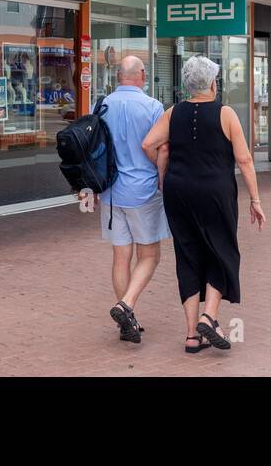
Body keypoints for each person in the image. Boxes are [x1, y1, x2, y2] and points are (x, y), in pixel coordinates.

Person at [143, 56, 265, 354]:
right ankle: (209, 317)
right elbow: (245, 159)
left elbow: (148, 144)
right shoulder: (226, 114)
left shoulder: (173, 113)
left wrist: (163, 169)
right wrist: (255, 199)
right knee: (222, 250)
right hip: (215, 193)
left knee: (187, 255)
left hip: (178, 192)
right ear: (213, 83)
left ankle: (191, 335)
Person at [79, 56, 167, 345]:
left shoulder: (101, 106)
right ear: (141, 75)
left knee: (121, 258)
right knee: (150, 255)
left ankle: (128, 319)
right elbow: (160, 148)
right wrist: (161, 177)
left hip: (111, 192)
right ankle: (126, 305)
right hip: (143, 191)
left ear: (118, 76)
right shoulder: (153, 107)